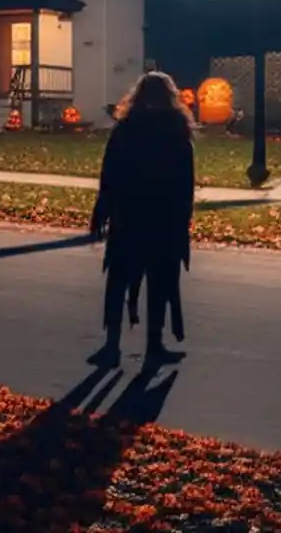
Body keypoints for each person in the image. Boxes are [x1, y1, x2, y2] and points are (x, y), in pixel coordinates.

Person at [89, 71, 195, 365]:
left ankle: (112, 346)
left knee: (119, 281)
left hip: (129, 216)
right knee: (160, 284)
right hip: (164, 219)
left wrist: (103, 210)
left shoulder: (125, 129)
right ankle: (154, 345)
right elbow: (186, 181)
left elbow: (109, 174)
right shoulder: (177, 131)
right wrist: (184, 218)